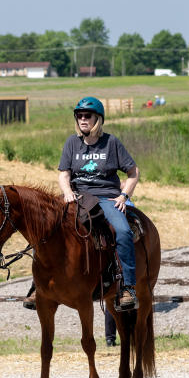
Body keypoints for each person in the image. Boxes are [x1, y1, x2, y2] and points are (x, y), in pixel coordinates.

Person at [58, 97, 142, 311]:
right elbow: (64, 173)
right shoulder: (71, 143)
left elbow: (133, 172)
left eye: (87, 116)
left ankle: (127, 287)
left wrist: (123, 196)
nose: (83, 119)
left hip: (106, 197)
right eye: (79, 115)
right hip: (78, 197)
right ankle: (36, 285)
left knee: (123, 232)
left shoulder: (111, 142)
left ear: (98, 119)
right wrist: (67, 192)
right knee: (48, 226)